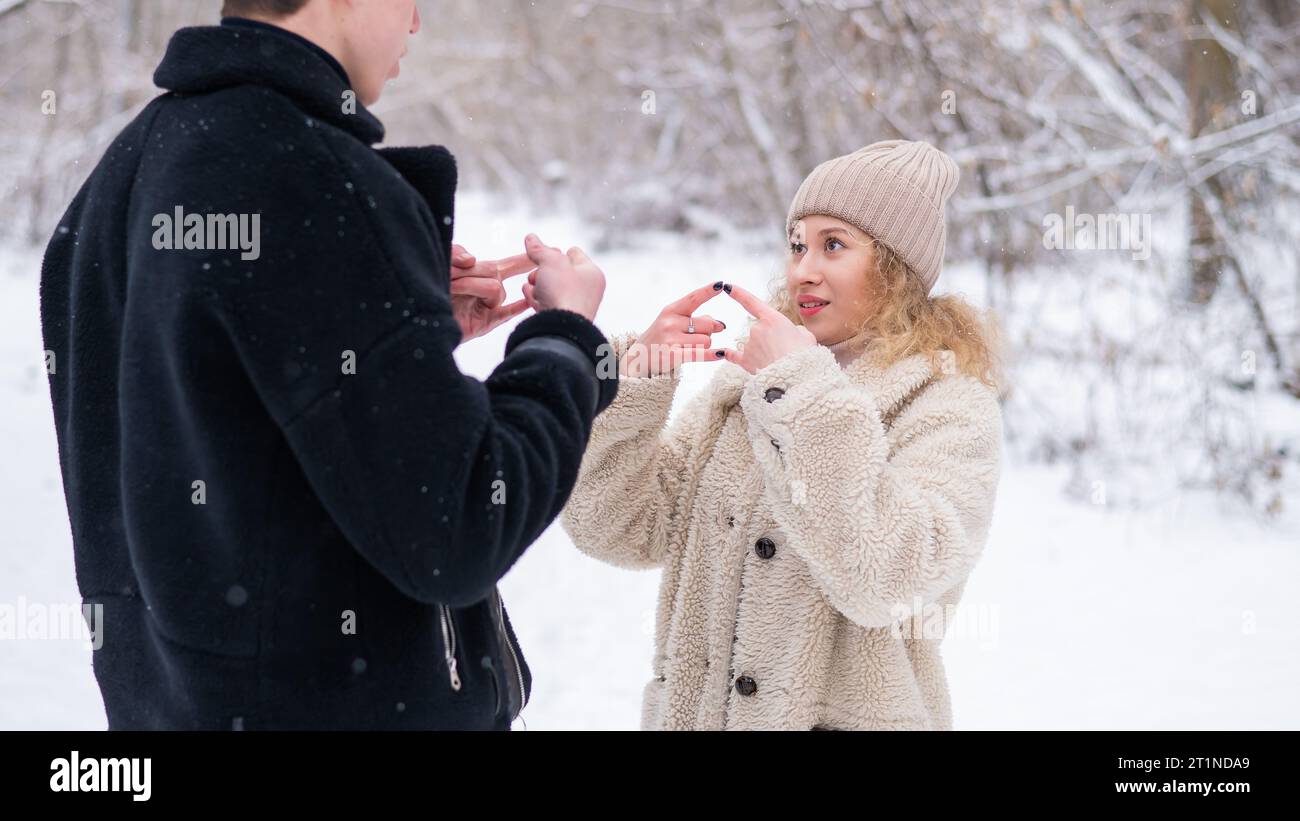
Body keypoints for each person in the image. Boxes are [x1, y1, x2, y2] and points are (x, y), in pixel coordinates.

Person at [39, 0, 617, 730]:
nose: (416, 24)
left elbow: (222, 422)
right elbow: (463, 521)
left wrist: (401, 327)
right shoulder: (317, 176)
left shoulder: (119, 177)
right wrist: (564, 341)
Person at [561, 140, 1006, 730]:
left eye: (833, 245)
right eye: (797, 244)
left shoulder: (946, 401)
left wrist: (802, 394)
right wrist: (637, 378)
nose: (803, 269)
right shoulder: (749, 383)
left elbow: (886, 579)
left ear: (896, 268)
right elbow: (621, 531)